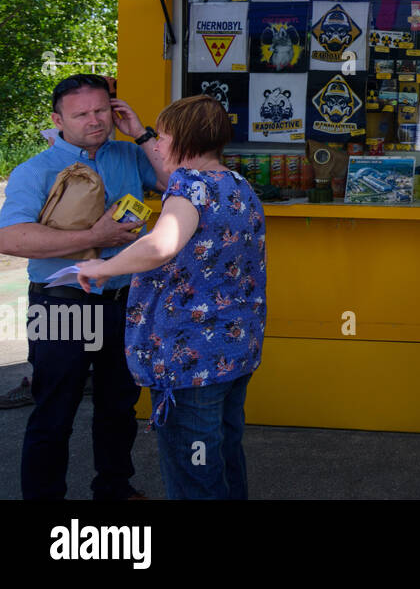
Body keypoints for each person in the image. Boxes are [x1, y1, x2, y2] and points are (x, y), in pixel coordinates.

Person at [76, 95, 267, 500]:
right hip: (233, 349)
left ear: (186, 140)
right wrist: (142, 132)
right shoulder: (237, 185)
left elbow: (161, 246)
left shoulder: (189, 189)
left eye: (162, 137)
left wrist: (101, 267)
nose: (156, 146)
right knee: (222, 451)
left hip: (190, 357)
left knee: (194, 467)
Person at [0, 73, 168, 500]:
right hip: (62, 304)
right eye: (81, 114)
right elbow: (12, 238)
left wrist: (144, 133)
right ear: (57, 119)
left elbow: (174, 183)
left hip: (124, 300)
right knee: (54, 412)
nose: (94, 120)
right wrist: (97, 237)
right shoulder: (35, 170)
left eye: (101, 110)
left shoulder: (129, 155)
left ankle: (113, 488)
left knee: (118, 407)